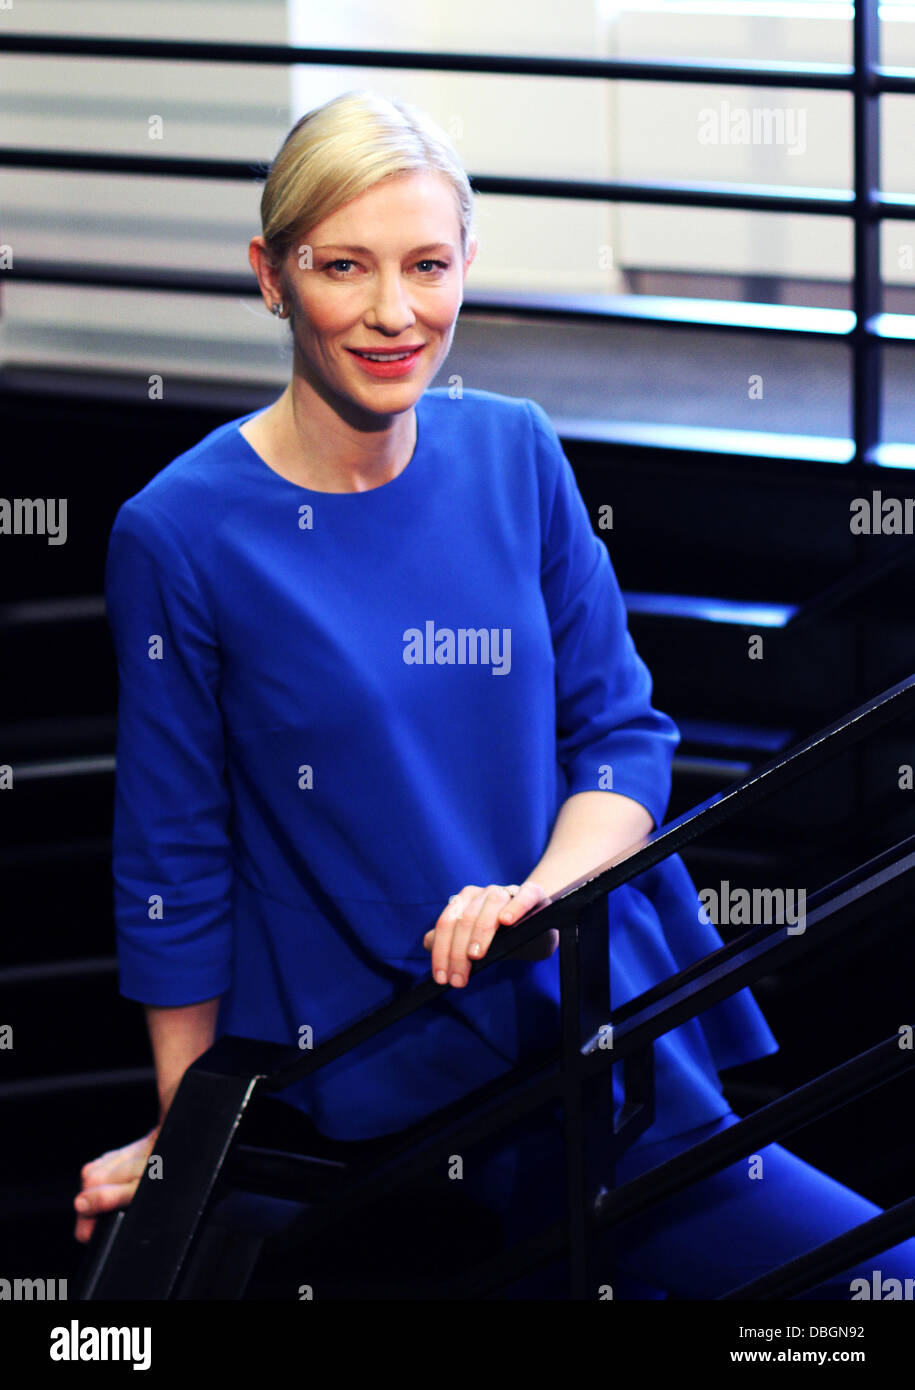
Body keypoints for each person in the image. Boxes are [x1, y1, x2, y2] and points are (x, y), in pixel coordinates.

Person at [73, 89, 915, 1299]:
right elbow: (173, 856)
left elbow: (622, 734)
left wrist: (541, 895)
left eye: (426, 264)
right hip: (391, 1074)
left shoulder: (514, 446)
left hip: (593, 1019)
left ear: (469, 260)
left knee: (867, 1284)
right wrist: (188, 1130)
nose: (393, 312)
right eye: (343, 266)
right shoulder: (178, 533)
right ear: (270, 273)